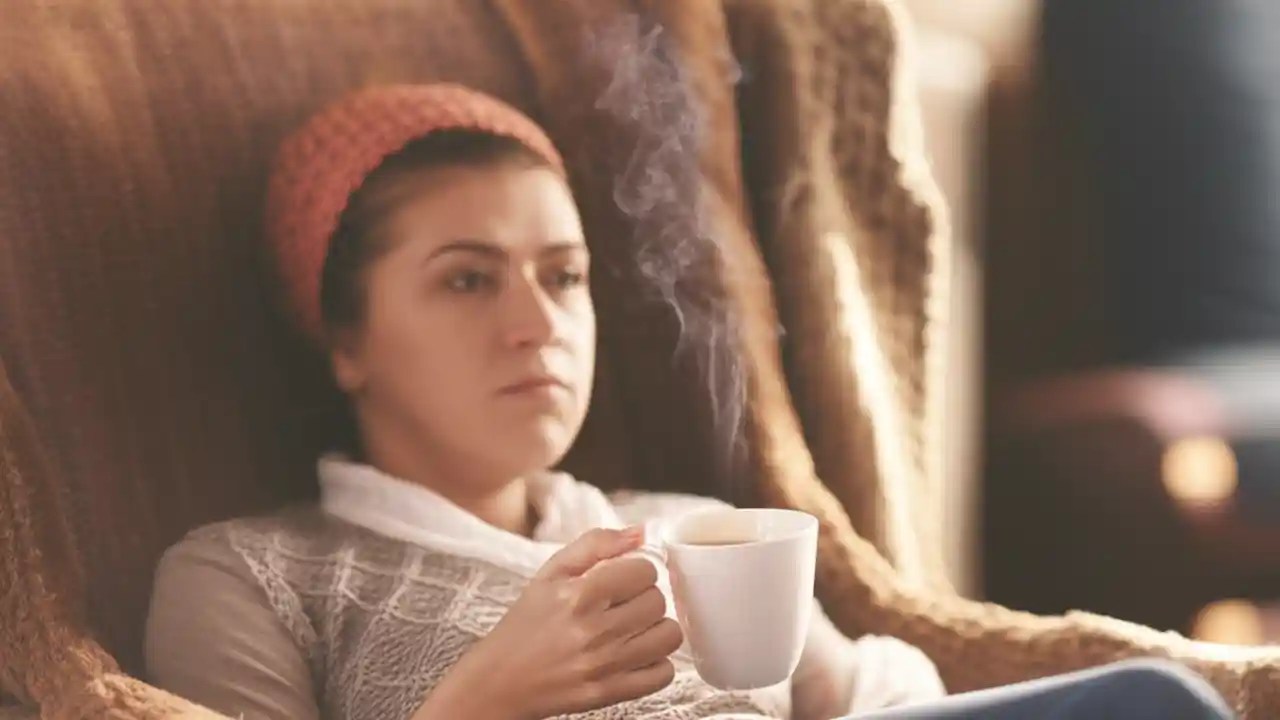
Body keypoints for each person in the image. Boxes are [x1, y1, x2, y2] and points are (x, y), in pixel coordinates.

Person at [143, 83, 1234, 720]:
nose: (538, 322)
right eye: (467, 278)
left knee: (1155, 704)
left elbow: (878, 703)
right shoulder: (254, 578)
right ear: (343, 341)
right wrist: (480, 699)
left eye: (563, 275)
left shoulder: (690, 534)